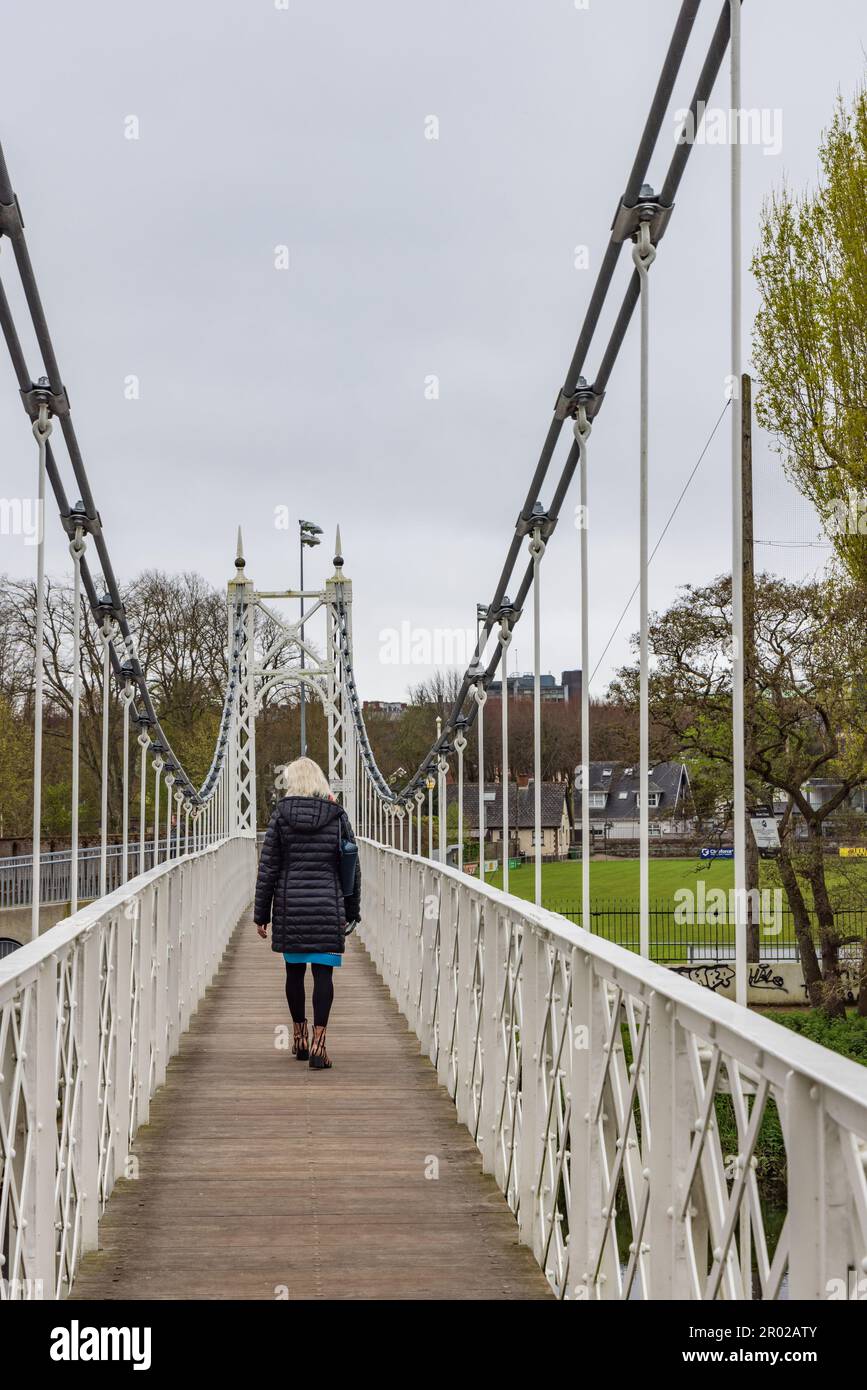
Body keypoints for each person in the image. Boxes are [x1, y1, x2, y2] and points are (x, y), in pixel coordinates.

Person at [253, 756, 361, 1070]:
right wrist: (351, 911)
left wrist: (262, 914)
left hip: (291, 906)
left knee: (294, 972)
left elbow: (268, 869)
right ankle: (319, 1045)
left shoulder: (280, 817)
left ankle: (298, 1038)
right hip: (328, 905)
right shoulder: (337, 816)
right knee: (323, 974)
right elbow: (351, 868)